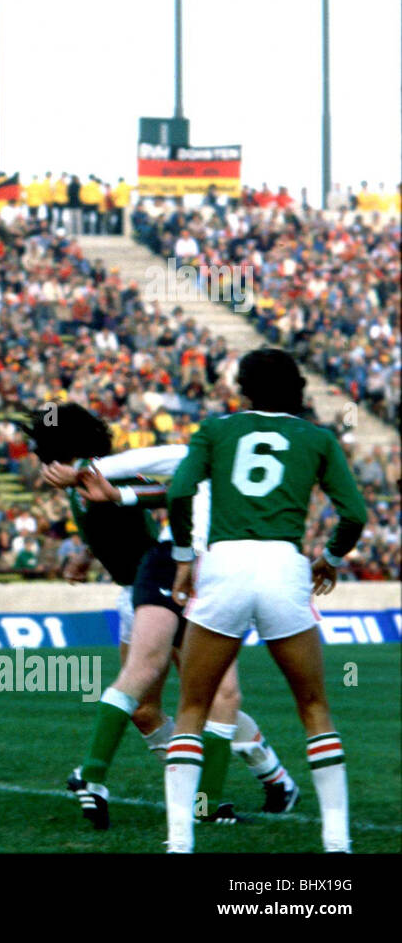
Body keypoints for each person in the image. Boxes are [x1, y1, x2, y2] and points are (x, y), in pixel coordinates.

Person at [26, 404, 296, 832]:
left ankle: (260, 779)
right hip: (133, 592)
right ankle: (198, 783)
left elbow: (165, 492)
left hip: (169, 584)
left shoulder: (100, 474)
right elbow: (108, 526)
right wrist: (84, 555)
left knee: (208, 694)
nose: (40, 462)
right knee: (146, 709)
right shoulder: (76, 480)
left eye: (42, 452)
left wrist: (114, 492)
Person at [164, 348, 368, 854]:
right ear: (298, 388)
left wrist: (185, 554)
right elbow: (355, 513)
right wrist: (333, 558)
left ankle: (179, 843)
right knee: (315, 707)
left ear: (245, 388)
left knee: (191, 707)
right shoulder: (318, 438)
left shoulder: (216, 429)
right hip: (284, 564)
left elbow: (179, 492)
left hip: (226, 564)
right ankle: (337, 842)